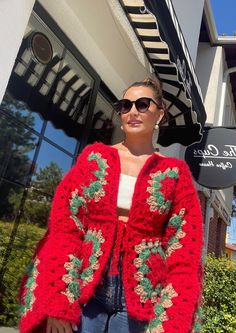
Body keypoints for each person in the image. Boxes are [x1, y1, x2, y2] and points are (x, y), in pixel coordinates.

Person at [19, 77, 203, 333]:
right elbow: (66, 229)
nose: (133, 112)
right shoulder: (94, 160)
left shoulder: (175, 174)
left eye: (142, 104)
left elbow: (184, 251)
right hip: (85, 287)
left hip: (141, 297)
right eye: (125, 106)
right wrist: (59, 300)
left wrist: (171, 319)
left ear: (160, 114)